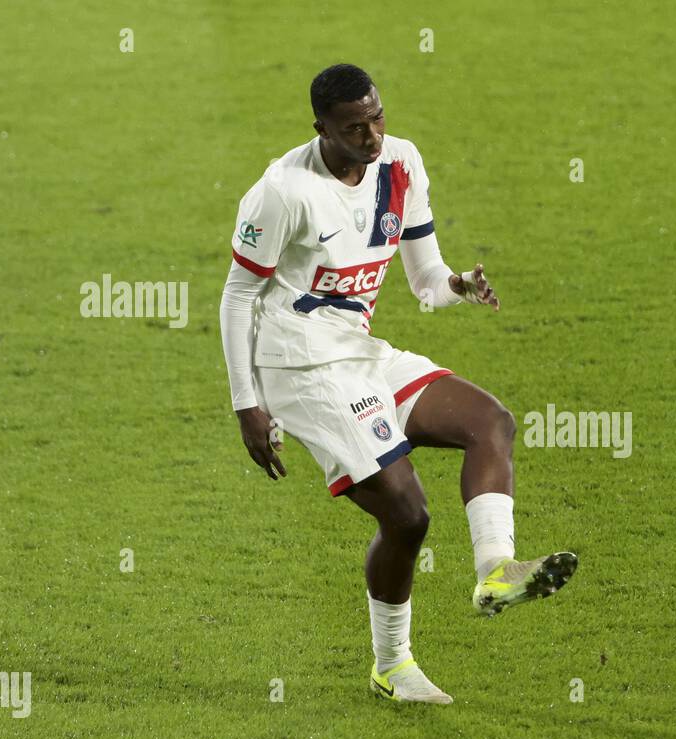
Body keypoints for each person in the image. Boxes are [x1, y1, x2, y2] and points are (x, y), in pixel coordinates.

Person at [219, 64, 577, 705]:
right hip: (299, 366)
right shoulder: (282, 192)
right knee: (406, 513)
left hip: (358, 351)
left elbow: (425, 278)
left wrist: (459, 287)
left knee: (489, 421)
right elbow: (238, 294)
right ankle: (394, 665)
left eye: (376, 116)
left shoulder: (401, 165)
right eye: (353, 126)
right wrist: (248, 403)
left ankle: (496, 571)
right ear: (321, 129)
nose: (371, 134)